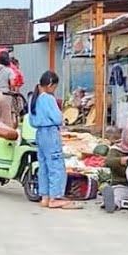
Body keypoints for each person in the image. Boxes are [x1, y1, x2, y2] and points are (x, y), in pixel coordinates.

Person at [28, 71, 76, 209]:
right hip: (50, 133)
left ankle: (45, 196)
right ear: (50, 85)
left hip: (39, 134)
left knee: (43, 166)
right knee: (56, 165)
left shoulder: (33, 98)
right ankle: (55, 197)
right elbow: (57, 118)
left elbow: (31, 119)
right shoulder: (48, 98)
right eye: (54, 87)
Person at [103, 121, 128, 206]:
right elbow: (107, 161)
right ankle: (113, 203)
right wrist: (121, 161)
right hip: (122, 184)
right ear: (125, 137)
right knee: (118, 195)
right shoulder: (116, 149)